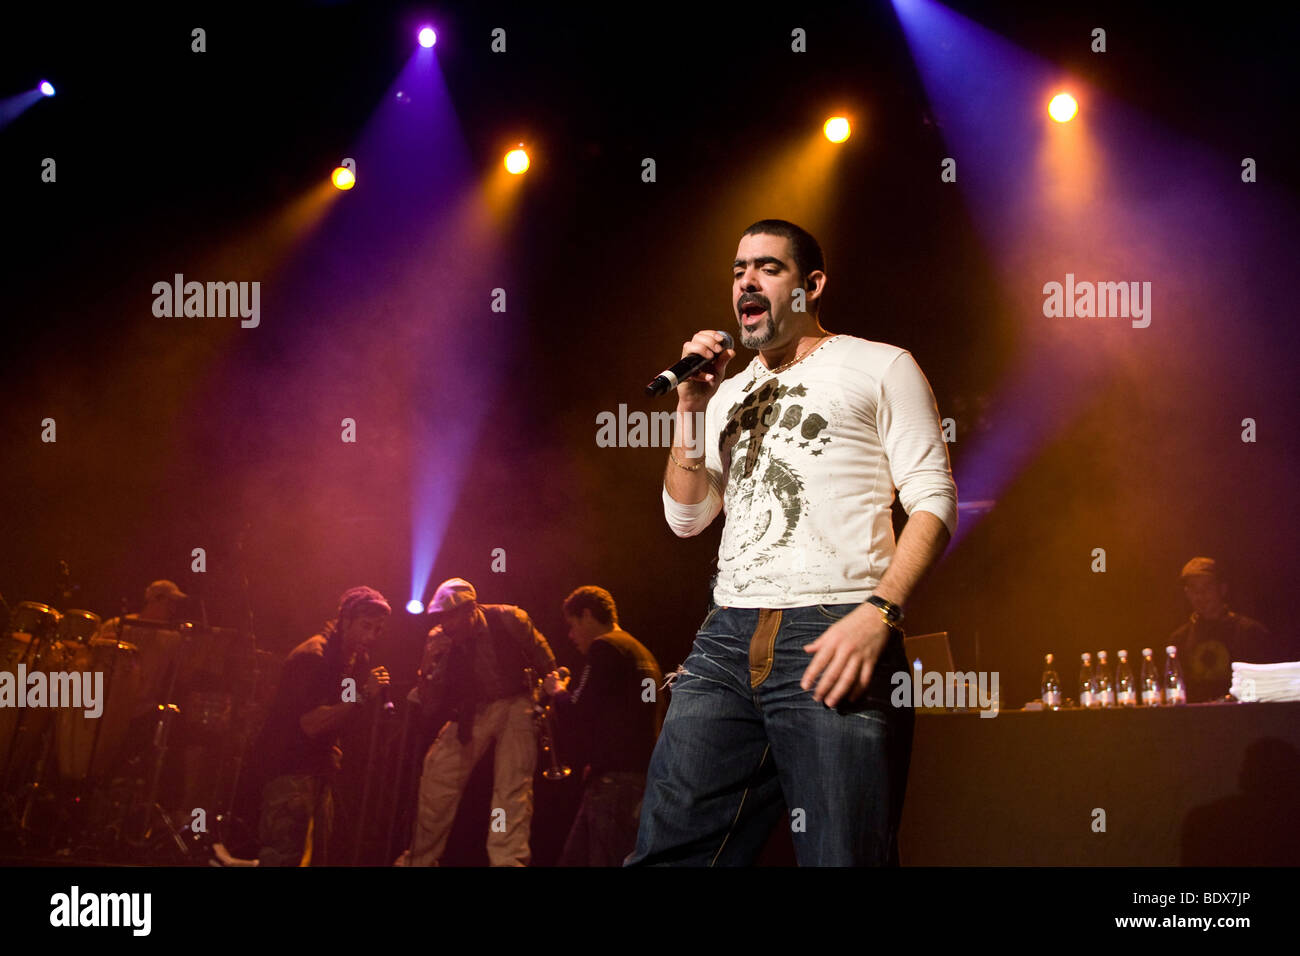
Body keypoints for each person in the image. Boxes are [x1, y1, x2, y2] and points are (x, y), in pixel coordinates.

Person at [627, 219, 957, 867]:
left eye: (768, 268)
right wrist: (691, 405)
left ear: (811, 286)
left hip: (836, 625)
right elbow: (687, 519)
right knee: (668, 853)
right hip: (725, 642)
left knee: (843, 856)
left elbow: (934, 502)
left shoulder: (879, 365)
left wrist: (881, 611)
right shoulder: (724, 395)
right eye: (737, 269)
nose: (745, 281)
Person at [221, 586, 391, 867]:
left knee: (315, 856)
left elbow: (344, 704)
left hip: (318, 769)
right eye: (365, 626)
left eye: (378, 629)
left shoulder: (355, 659)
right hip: (290, 767)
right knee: (285, 856)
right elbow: (311, 723)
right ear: (345, 620)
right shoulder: (313, 657)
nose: (371, 636)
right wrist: (364, 696)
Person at [407, 578, 557, 866]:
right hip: (474, 709)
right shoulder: (439, 640)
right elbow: (430, 705)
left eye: (451, 616)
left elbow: (548, 663)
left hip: (517, 701)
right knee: (438, 773)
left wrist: (545, 699)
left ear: (471, 609)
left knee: (512, 785)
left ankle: (507, 861)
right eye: (443, 617)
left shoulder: (511, 618)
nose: (447, 624)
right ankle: (419, 860)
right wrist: (427, 667)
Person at [545, 585, 664, 866]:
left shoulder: (605, 647)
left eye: (572, 626)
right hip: (638, 781)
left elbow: (578, 711)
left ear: (586, 615)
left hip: (614, 785)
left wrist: (557, 691)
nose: (571, 636)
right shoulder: (640, 652)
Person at [1170, 557, 1277, 702]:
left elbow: (1269, 687)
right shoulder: (1178, 640)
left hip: (1243, 720)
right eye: (1194, 589)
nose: (1200, 594)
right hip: (1195, 721)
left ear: (1222, 589)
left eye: (1207, 587)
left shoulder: (1250, 632)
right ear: (1187, 593)